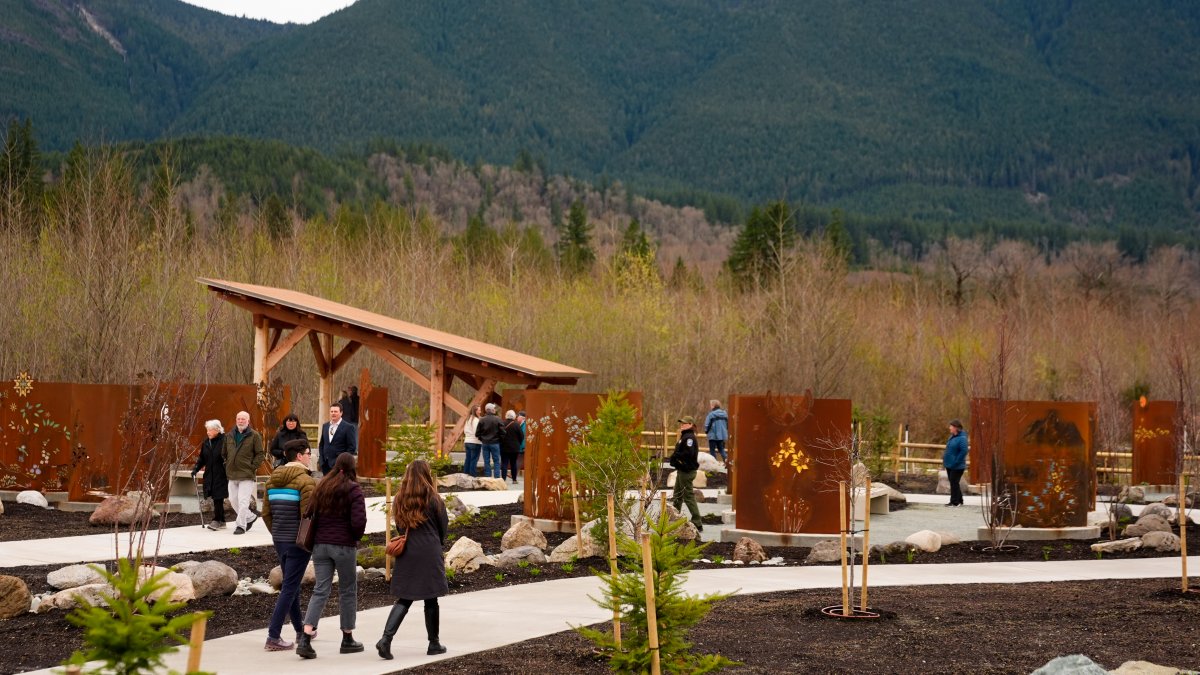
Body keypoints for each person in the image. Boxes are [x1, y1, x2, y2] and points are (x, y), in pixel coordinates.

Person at [297, 452, 367, 659]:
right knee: (347, 590)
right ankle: (347, 638)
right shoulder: (353, 489)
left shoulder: (322, 486)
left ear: (336, 466)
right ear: (352, 467)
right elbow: (358, 522)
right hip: (343, 546)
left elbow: (309, 512)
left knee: (320, 590)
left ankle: (306, 637)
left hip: (320, 546)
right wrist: (354, 537)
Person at [376, 459, 449, 659]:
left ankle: (385, 639)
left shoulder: (400, 498)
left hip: (409, 552)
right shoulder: (433, 498)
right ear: (426, 474)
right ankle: (433, 643)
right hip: (430, 551)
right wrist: (436, 541)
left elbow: (400, 527)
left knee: (405, 598)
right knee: (431, 598)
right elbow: (443, 526)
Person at [261, 439, 316, 652]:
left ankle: (300, 629)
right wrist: (308, 540)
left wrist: (277, 533)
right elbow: (308, 516)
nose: (310, 457)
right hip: (298, 543)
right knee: (290, 587)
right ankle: (273, 636)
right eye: (308, 453)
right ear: (300, 456)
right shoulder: (306, 482)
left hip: (280, 540)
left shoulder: (271, 481)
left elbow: (266, 513)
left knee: (290, 585)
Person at [223, 410, 265, 535]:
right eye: (239, 419)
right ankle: (250, 517)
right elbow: (224, 453)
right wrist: (227, 464)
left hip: (246, 474)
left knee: (243, 501)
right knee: (233, 500)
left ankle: (241, 525)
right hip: (232, 473)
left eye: (243, 419)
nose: (241, 421)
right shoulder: (229, 435)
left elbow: (260, 454)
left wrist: (252, 467)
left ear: (248, 421)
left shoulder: (254, 435)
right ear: (236, 420)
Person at [192, 419, 229, 530]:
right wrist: (195, 469)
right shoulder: (206, 442)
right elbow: (202, 458)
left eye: (210, 430)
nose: (208, 432)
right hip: (210, 474)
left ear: (217, 430)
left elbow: (229, 457)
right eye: (207, 429)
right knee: (215, 497)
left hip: (222, 474)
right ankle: (222, 521)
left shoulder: (225, 441)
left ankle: (216, 520)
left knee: (218, 497)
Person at [669, 415, 703, 531]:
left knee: (688, 496)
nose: (682, 425)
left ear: (690, 425)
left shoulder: (689, 438)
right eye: (681, 423)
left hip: (687, 471)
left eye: (684, 423)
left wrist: (676, 457)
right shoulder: (684, 436)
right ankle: (673, 518)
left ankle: (697, 521)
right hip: (682, 470)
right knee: (677, 495)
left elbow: (688, 453)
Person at [318, 402, 358, 475]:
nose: (333, 413)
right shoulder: (325, 426)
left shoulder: (348, 427)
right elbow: (322, 444)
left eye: (335, 411)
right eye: (332, 411)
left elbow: (352, 447)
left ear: (341, 413)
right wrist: (321, 461)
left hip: (340, 467)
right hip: (325, 465)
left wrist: (343, 463)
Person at [943, 419, 969, 507]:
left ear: (956, 428)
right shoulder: (952, 437)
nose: (949, 428)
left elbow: (964, 451)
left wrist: (956, 461)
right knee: (954, 483)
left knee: (954, 483)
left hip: (957, 466)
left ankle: (954, 502)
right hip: (950, 465)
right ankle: (960, 500)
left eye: (951, 426)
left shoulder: (962, 438)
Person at [475, 403, 504, 479]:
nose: (495, 410)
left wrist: (483, 439)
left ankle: (488, 476)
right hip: (495, 443)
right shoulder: (498, 419)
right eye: (494, 409)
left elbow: (477, 433)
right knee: (496, 461)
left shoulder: (482, 420)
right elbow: (503, 432)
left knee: (486, 461)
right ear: (491, 410)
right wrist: (499, 440)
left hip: (485, 443)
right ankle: (497, 477)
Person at [499, 410, 524, 484]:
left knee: (504, 463)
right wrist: (517, 443)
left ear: (506, 415)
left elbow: (499, 435)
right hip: (514, 448)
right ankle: (514, 479)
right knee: (513, 463)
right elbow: (521, 436)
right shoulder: (516, 425)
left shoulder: (502, 423)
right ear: (514, 416)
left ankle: (503, 479)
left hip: (504, 447)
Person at [462, 405, 482, 477]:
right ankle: (472, 476)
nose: (480, 412)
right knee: (474, 459)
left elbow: (464, 431)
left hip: (467, 441)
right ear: (475, 411)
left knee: (468, 459)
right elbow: (476, 432)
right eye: (479, 410)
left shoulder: (468, 419)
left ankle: (465, 474)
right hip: (475, 442)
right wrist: (482, 438)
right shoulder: (476, 420)